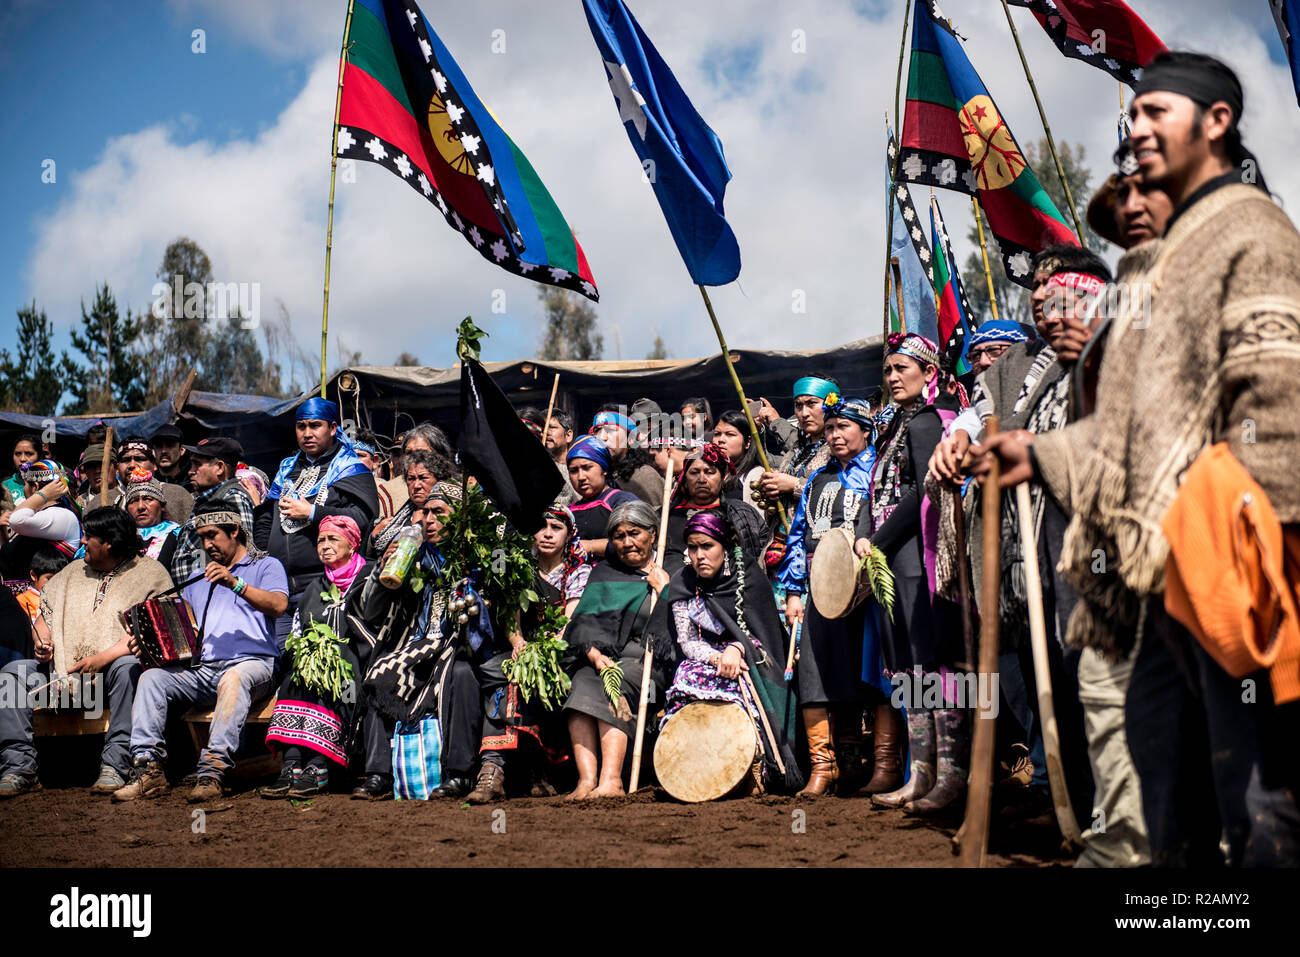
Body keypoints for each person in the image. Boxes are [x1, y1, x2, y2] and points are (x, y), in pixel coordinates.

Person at [974, 52, 1300, 866]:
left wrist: (1264, 547)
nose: (1138, 127)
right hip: (1149, 581)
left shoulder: (1252, 232)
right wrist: (1036, 448)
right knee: (1169, 811)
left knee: (1259, 810)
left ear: (1217, 122)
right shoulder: (1149, 273)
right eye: (1134, 115)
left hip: (1231, 568)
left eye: (1158, 111)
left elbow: (1280, 402)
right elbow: (1133, 431)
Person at [114, 501, 289, 803]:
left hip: (254, 665)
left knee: (233, 678)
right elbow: (186, 632)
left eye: (212, 535)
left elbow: (279, 605)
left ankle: (213, 771)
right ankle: (148, 770)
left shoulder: (265, 566)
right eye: (202, 538)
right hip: (205, 670)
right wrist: (147, 640)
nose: (207, 544)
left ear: (234, 530)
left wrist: (236, 584)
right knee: (152, 678)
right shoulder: (200, 577)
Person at [0, 508, 173, 798]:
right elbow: (46, 617)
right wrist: (43, 641)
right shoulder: (72, 572)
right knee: (12, 675)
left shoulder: (150, 575)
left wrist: (102, 659)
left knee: (129, 666)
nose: (82, 540)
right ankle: (19, 767)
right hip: (63, 682)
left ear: (109, 542)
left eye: (89, 536)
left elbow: (149, 633)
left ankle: (117, 765)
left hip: (108, 686)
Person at [353, 485, 493, 800]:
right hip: (414, 644)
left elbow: (489, 618)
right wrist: (381, 570)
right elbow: (371, 611)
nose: (428, 520)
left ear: (459, 517)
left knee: (460, 675)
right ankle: (379, 775)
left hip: (460, 646)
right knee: (379, 672)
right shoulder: (412, 555)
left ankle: (460, 775)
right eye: (426, 513)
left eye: (438, 513)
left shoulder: (477, 557)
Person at [776, 394, 882, 796]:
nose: (835, 435)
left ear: (866, 431)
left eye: (844, 427)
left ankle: (864, 762)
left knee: (866, 672)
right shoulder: (819, 478)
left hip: (867, 588)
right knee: (814, 673)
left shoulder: (876, 471)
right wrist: (793, 591)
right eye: (832, 427)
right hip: (818, 589)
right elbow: (798, 536)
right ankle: (824, 766)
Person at [866, 333, 951, 810]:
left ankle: (947, 776)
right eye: (889, 370)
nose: (894, 377)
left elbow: (923, 488)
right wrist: (866, 536)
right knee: (903, 662)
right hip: (889, 557)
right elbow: (874, 490)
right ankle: (921, 774)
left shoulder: (926, 423)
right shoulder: (894, 425)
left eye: (903, 368)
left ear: (928, 372)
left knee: (926, 661)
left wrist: (878, 540)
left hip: (916, 554)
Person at [662, 510, 801, 792]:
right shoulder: (682, 583)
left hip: (753, 657)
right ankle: (698, 772)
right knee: (685, 678)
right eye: (692, 547)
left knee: (746, 687)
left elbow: (765, 632)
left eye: (707, 546)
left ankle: (756, 765)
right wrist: (716, 657)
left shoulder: (748, 578)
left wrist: (738, 648)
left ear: (724, 547)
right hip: (705, 660)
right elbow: (686, 641)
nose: (699, 555)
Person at [561, 501, 673, 800]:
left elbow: (686, 622)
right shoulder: (604, 573)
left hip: (649, 661)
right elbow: (583, 626)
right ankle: (586, 781)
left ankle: (612, 780)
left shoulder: (672, 570)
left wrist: (665, 591)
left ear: (652, 533)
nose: (627, 542)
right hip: (603, 656)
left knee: (618, 682)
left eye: (634, 533)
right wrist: (595, 656)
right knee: (582, 683)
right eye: (619, 536)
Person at [254, 398, 379, 648]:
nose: (307, 433)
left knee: (319, 657)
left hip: (323, 584)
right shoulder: (287, 469)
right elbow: (267, 516)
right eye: (301, 426)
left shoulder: (349, 468)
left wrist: (313, 512)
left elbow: (363, 517)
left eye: (315, 425)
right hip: (280, 586)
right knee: (282, 658)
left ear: (333, 428)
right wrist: (264, 553)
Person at [263, 516, 371, 799]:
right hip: (318, 666)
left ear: (352, 545)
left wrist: (339, 656)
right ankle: (292, 766)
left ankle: (318, 766)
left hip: (358, 668)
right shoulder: (315, 587)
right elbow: (298, 633)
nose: (324, 546)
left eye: (332, 539)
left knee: (333, 685)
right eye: (320, 540)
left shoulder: (369, 577)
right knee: (294, 681)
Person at [756, 376, 837, 571]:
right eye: (798, 406)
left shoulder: (838, 446)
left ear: (830, 404)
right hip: (780, 549)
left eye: (812, 404)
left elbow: (839, 490)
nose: (804, 413)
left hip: (816, 551)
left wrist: (794, 485)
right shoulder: (797, 450)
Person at [663, 443, 765, 576]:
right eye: (694, 473)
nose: (701, 479)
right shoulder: (667, 517)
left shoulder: (743, 514)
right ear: (685, 478)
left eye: (709, 472)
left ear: (723, 476)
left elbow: (762, 551)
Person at [171, 437, 256, 584]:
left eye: (197, 464)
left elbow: (244, 557)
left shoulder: (232, 498)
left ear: (220, 468)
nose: (190, 471)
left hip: (217, 597)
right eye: (191, 465)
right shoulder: (205, 500)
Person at [2, 460, 81, 580]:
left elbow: (16, 520)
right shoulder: (39, 516)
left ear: (35, 487)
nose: (24, 489)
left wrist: (43, 494)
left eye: (26, 485)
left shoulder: (63, 515)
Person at [566, 435, 640, 560]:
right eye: (573, 471)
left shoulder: (622, 501)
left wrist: (590, 546)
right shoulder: (569, 511)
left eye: (586, 467)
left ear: (604, 469)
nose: (580, 477)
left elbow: (637, 540)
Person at [87, 438, 193, 524]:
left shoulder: (178, 495)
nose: (132, 465)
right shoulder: (98, 502)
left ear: (154, 464)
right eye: (125, 460)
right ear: (117, 467)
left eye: (140, 459)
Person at [367, 448, 440, 559]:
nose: (416, 486)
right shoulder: (400, 513)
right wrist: (374, 537)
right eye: (411, 479)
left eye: (423, 478)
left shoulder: (445, 515)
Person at [590, 406, 664, 507]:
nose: (602, 437)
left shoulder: (645, 477)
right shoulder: (594, 475)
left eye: (610, 430)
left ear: (631, 439)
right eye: (597, 431)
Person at [533, 504, 593, 619]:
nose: (548, 534)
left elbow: (568, 623)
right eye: (541, 526)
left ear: (569, 535)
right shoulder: (522, 567)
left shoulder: (578, 572)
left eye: (556, 527)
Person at [124, 470, 182, 568]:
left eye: (148, 499)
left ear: (162, 506)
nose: (140, 507)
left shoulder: (178, 536)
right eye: (134, 501)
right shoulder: (121, 537)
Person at [712, 410, 765, 513]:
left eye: (730, 434)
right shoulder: (709, 473)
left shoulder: (756, 476)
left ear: (747, 442)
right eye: (717, 434)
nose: (721, 439)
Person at [148, 424, 192, 491]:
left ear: (181, 450)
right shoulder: (148, 485)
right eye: (159, 446)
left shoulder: (192, 483)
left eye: (170, 445)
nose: (163, 451)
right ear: (153, 451)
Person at [3, 434, 40, 501]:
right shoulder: (5, 486)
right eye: (18, 454)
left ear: (39, 456)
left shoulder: (48, 485)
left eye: (29, 454)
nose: (22, 459)